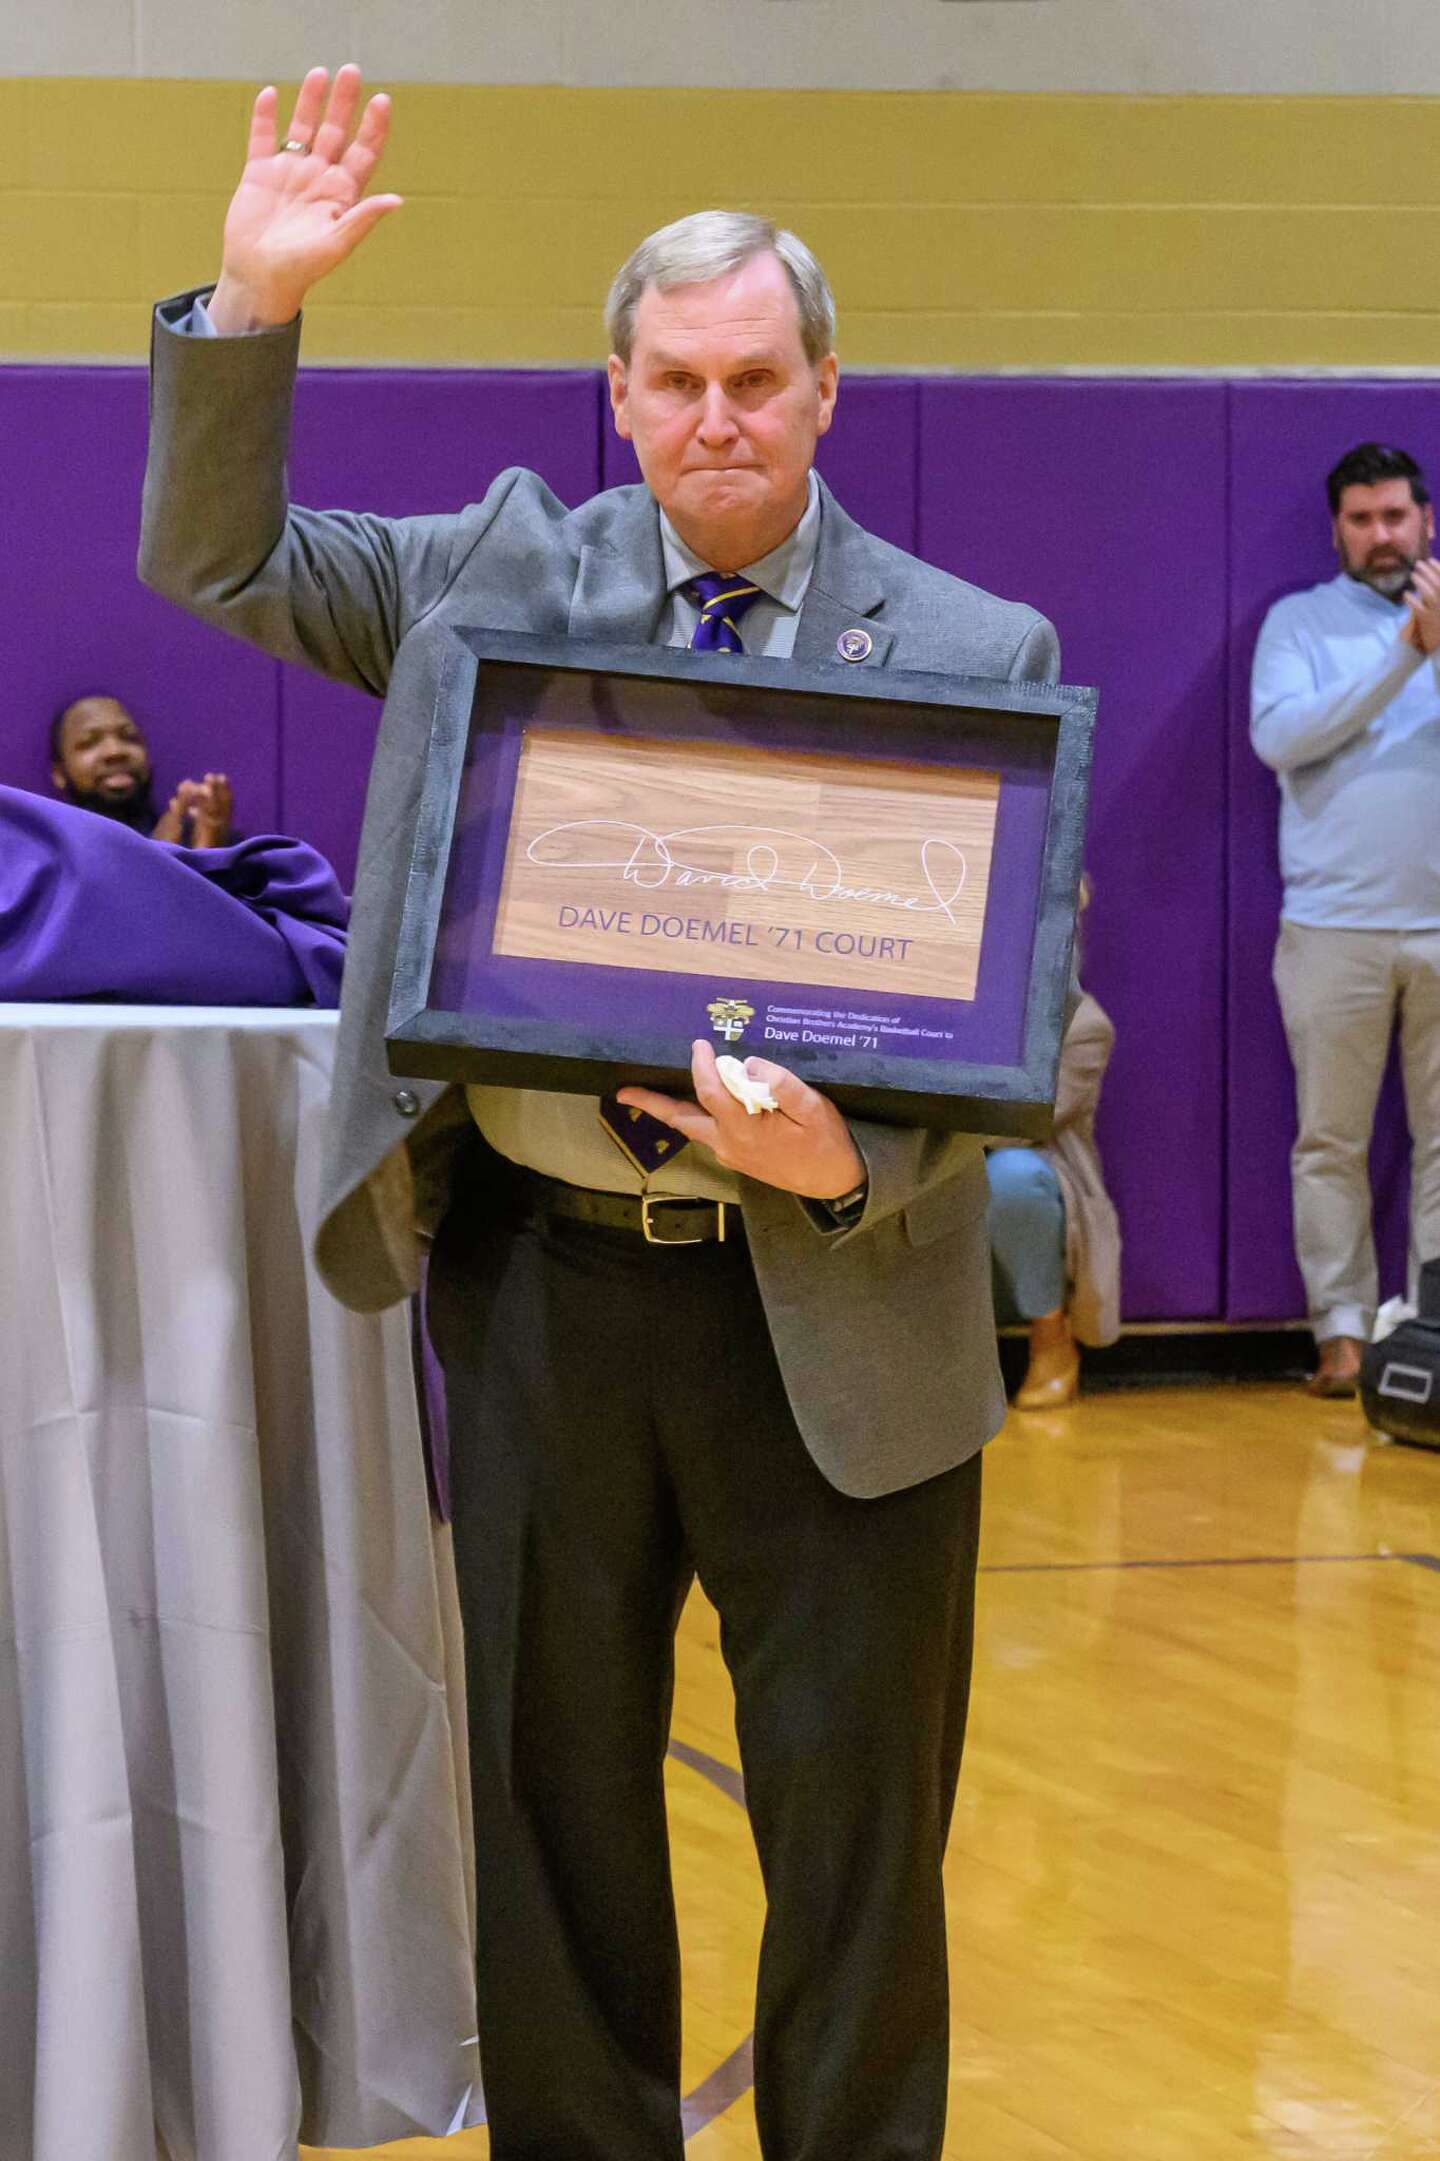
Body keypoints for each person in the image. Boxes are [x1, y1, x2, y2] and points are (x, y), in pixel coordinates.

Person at [139, 65, 1062, 2161]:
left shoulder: (973, 644)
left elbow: (1013, 996)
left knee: (857, 1844)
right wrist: (254, 307)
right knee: (551, 1833)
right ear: (617, 397)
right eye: (677, 383)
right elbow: (217, 554)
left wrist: (859, 1161)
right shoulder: (488, 575)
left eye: (757, 380)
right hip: (546, 1295)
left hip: (840, 1306)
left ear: (827, 391)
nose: (718, 418)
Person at [1251, 442, 1440, 1399]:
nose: (1381, 535)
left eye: (1396, 516)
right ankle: (1342, 1332)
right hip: (1333, 927)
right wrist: (1408, 655)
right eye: (1362, 520)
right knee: (1330, 1140)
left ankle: (1432, 1329)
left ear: (1426, 519)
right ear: (1337, 529)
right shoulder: (1299, 623)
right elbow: (1281, 738)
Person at [987, 982, 1121, 1408]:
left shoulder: (1081, 1022)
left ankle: (1051, 1339)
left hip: (1011, 1166)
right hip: (928, 1170)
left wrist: (926, 1125)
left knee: (1013, 1178)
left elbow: (1024, 1123)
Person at [50, 691, 235, 845]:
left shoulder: (205, 838)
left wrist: (211, 852)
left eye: (129, 737)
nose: (115, 751)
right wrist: (160, 860)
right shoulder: (48, 858)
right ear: (59, 774)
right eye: (89, 742)